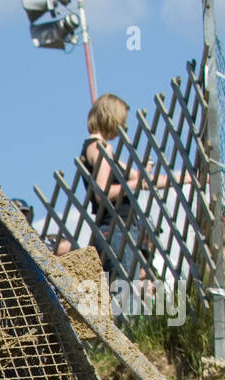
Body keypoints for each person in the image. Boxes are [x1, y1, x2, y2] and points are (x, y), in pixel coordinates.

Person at [80, 94, 189, 314]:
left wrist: (185, 178)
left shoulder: (96, 148)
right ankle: (126, 341)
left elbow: (143, 180)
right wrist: (136, 182)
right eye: (121, 120)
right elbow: (102, 193)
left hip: (116, 229)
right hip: (116, 228)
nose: (123, 127)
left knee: (126, 291)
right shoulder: (101, 147)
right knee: (125, 295)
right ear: (111, 117)